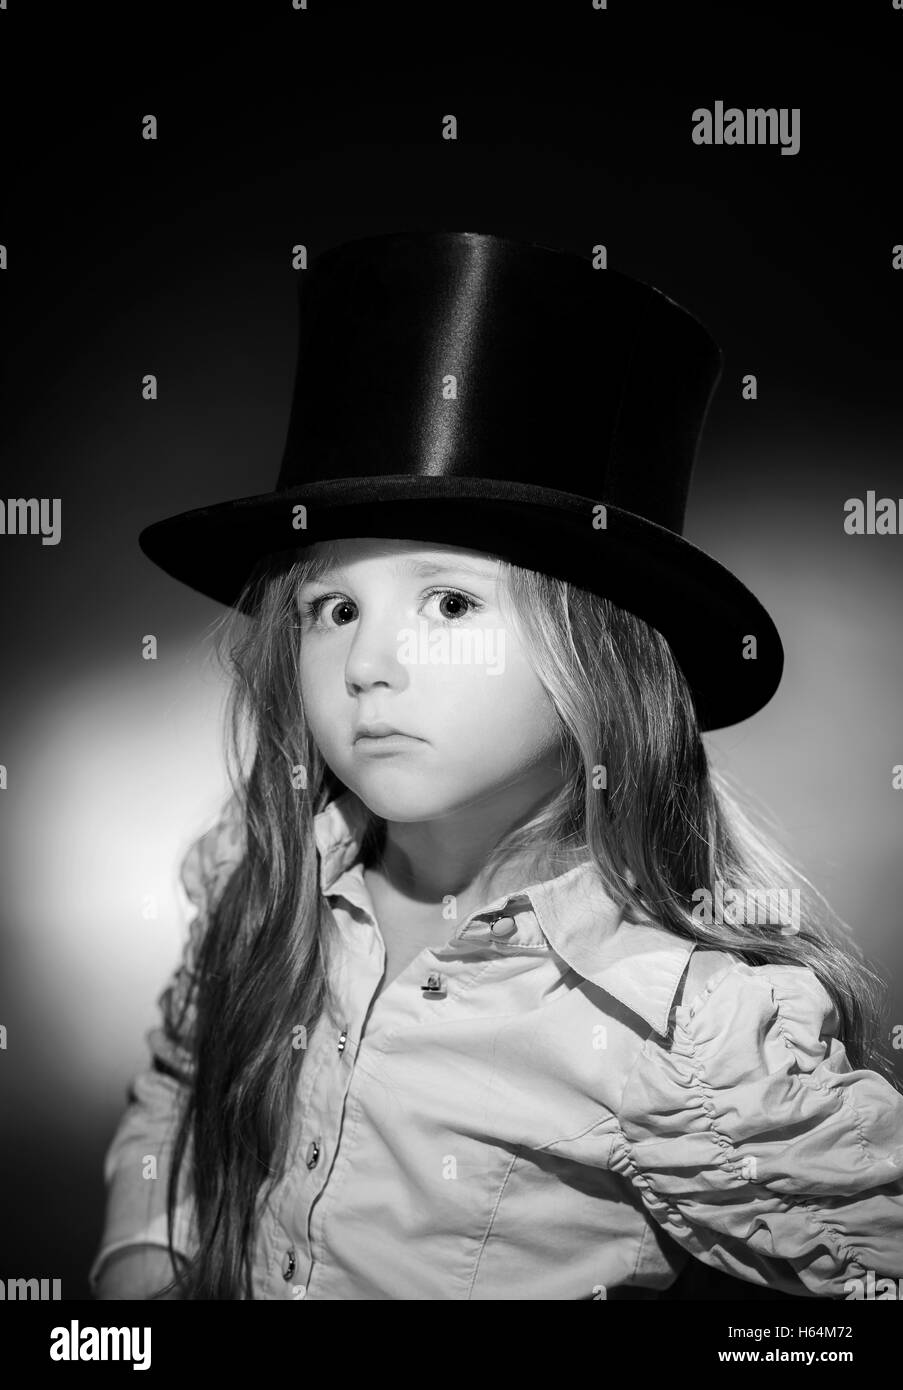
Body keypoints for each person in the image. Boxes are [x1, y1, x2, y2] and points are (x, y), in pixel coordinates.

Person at [90, 230, 903, 1300]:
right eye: (333, 609)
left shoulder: (685, 1025)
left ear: (599, 656)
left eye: (453, 603)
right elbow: (183, 1081)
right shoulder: (265, 875)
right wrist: (148, 1262)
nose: (370, 664)